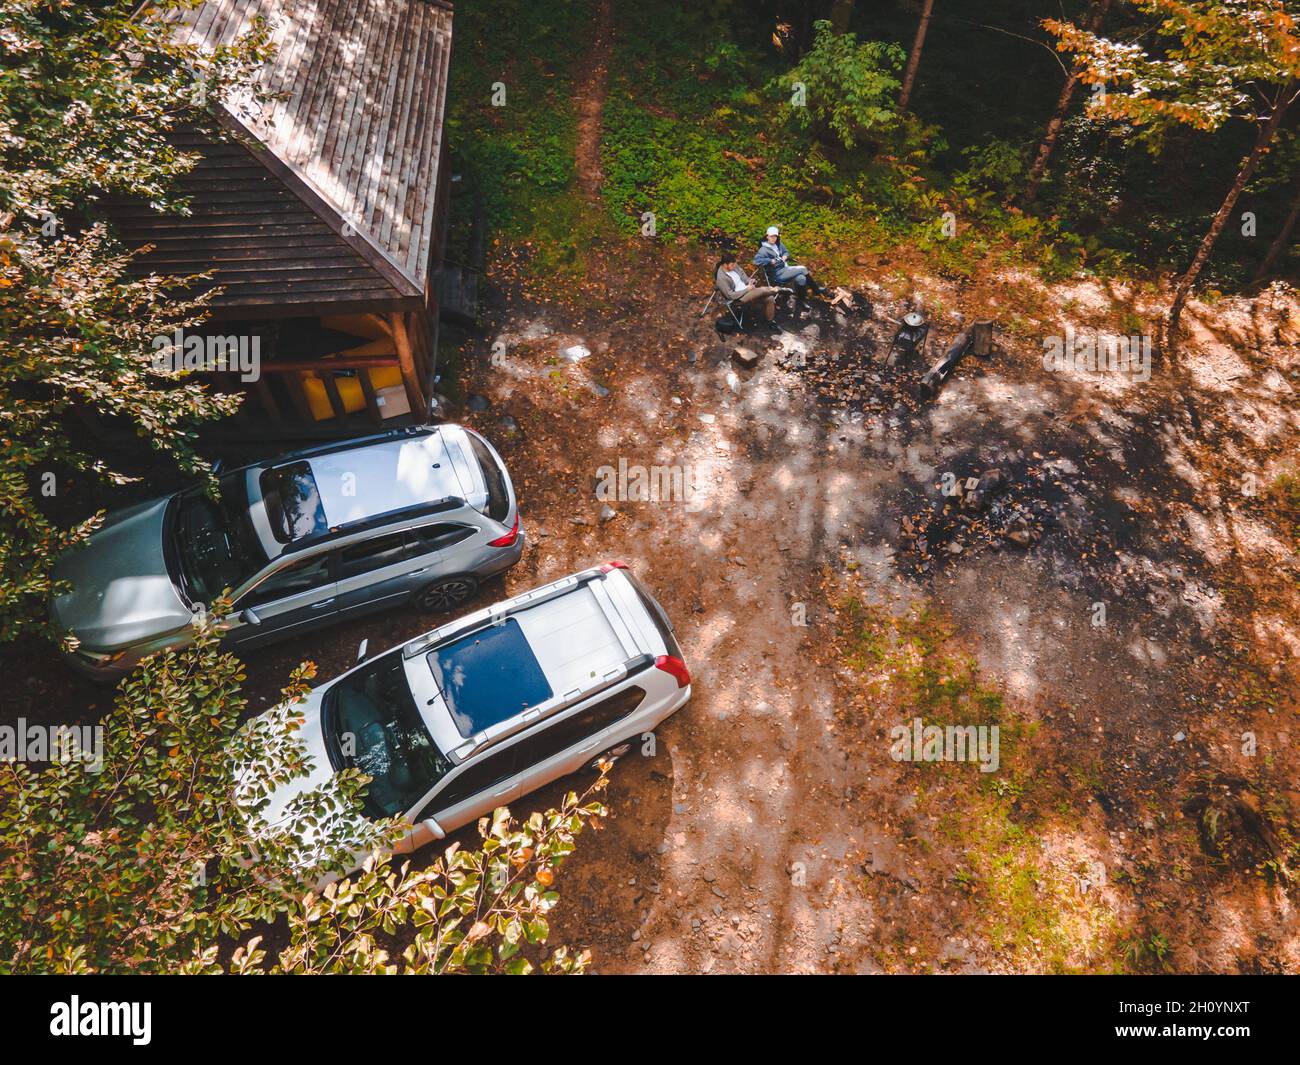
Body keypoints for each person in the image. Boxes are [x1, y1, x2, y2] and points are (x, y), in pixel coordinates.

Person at [753, 225, 828, 309]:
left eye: (775, 236)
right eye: (771, 236)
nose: (773, 238)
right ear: (767, 236)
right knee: (803, 269)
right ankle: (816, 290)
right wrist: (769, 261)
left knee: (801, 278)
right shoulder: (763, 249)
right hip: (777, 274)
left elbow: (786, 252)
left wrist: (785, 256)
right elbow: (756, 261)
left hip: (785, 269)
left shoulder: (778, 244)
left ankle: (801, 301)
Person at [714, 253, 782, 326]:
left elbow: (742, 275)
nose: (734, 267)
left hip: (748, 289)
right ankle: (776, 289)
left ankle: (770, 322)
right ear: (725, 264)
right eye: (732, 265)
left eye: (734, 264)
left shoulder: (734, 265)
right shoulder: (721, 277)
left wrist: (749, 281)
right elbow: (730, 295)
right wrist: (747, 289)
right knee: (762, 290)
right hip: (738, 298)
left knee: (770, 298)